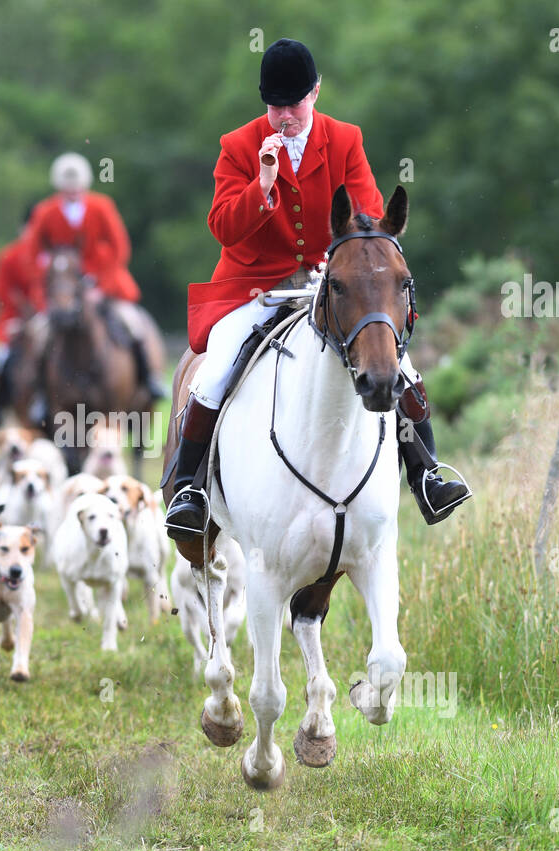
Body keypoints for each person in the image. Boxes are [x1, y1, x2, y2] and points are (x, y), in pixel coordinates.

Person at [165, 38, 470, 540]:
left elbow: (370, 215)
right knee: (216, 370)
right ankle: (189, 488)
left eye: (295, 103)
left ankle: (427, 475)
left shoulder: (345, 138)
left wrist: (347, 258)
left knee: (401, 368)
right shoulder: (238, 147)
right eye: (275, 105)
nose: (284, 115)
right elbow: (222, 228)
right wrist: (261, 186)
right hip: (254, 287)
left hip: (329, 285)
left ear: (317, 93)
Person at [26, 152, 165, 424]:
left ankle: (149, 380)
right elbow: (33, 252)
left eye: (76, 185)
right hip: (64, 293)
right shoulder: (46, 212)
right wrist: (52, 279)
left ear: (85, 184)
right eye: (67, 185)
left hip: (104, 288)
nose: (72, 190)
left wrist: (100, 285)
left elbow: (119, 248)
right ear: (59, 186)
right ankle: (43, 397)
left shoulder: (102, 206)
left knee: (134, 324)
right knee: (40, 336)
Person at [0, 205, 44, 430]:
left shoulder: (48, 258)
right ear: (22, 229)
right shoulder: (8, 257)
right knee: (1, 358)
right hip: (16, 319)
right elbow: (2, 293)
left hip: (46, 319)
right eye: (30, 227)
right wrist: (17, 319)